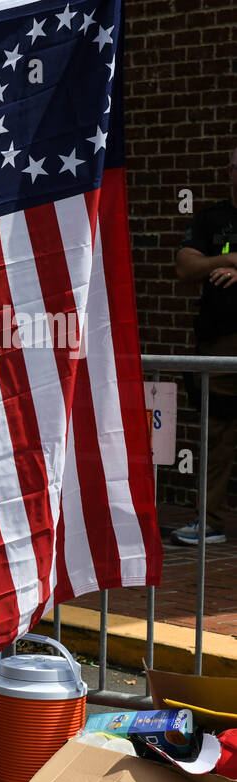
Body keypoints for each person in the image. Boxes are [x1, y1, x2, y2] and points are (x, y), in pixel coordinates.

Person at [172, 144, 237, 546]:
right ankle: (209, 520)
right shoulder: (212, 218)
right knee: (217, 432)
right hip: (222, 341)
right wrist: (226, 261)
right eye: (234, 165)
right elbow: (185, 266)